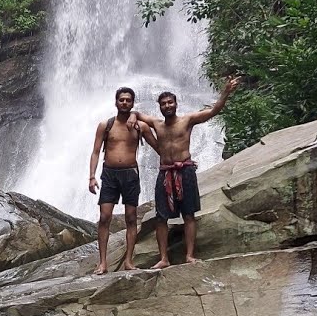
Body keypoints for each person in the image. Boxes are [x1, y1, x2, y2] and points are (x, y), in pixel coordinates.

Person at [133, 76, 241, 268]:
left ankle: (189, 255)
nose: (167, 106)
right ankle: (164, 259)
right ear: (160, 107)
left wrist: (225, 93)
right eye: (164, 103)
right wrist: (134, 119)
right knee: (161, 217)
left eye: (170, 102)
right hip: (165, 173)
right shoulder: (157, 124)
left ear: (176, 104)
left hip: (185, 171)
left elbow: (213, 111)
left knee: (189, 214)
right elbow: (136, 114)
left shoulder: (187, 120)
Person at [88, 87, 144, 274]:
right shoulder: (106, 125)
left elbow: (158, 143)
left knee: (131, 218)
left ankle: (128, 261)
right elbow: (96, 152)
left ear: (133, 103)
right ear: (116, 102)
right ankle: (103, 263)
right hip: (110, 174)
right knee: (104, 217)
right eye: (122, 100)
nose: (125, 102)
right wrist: (92, 176)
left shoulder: (139, 126)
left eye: (128, 100)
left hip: (130, 175)